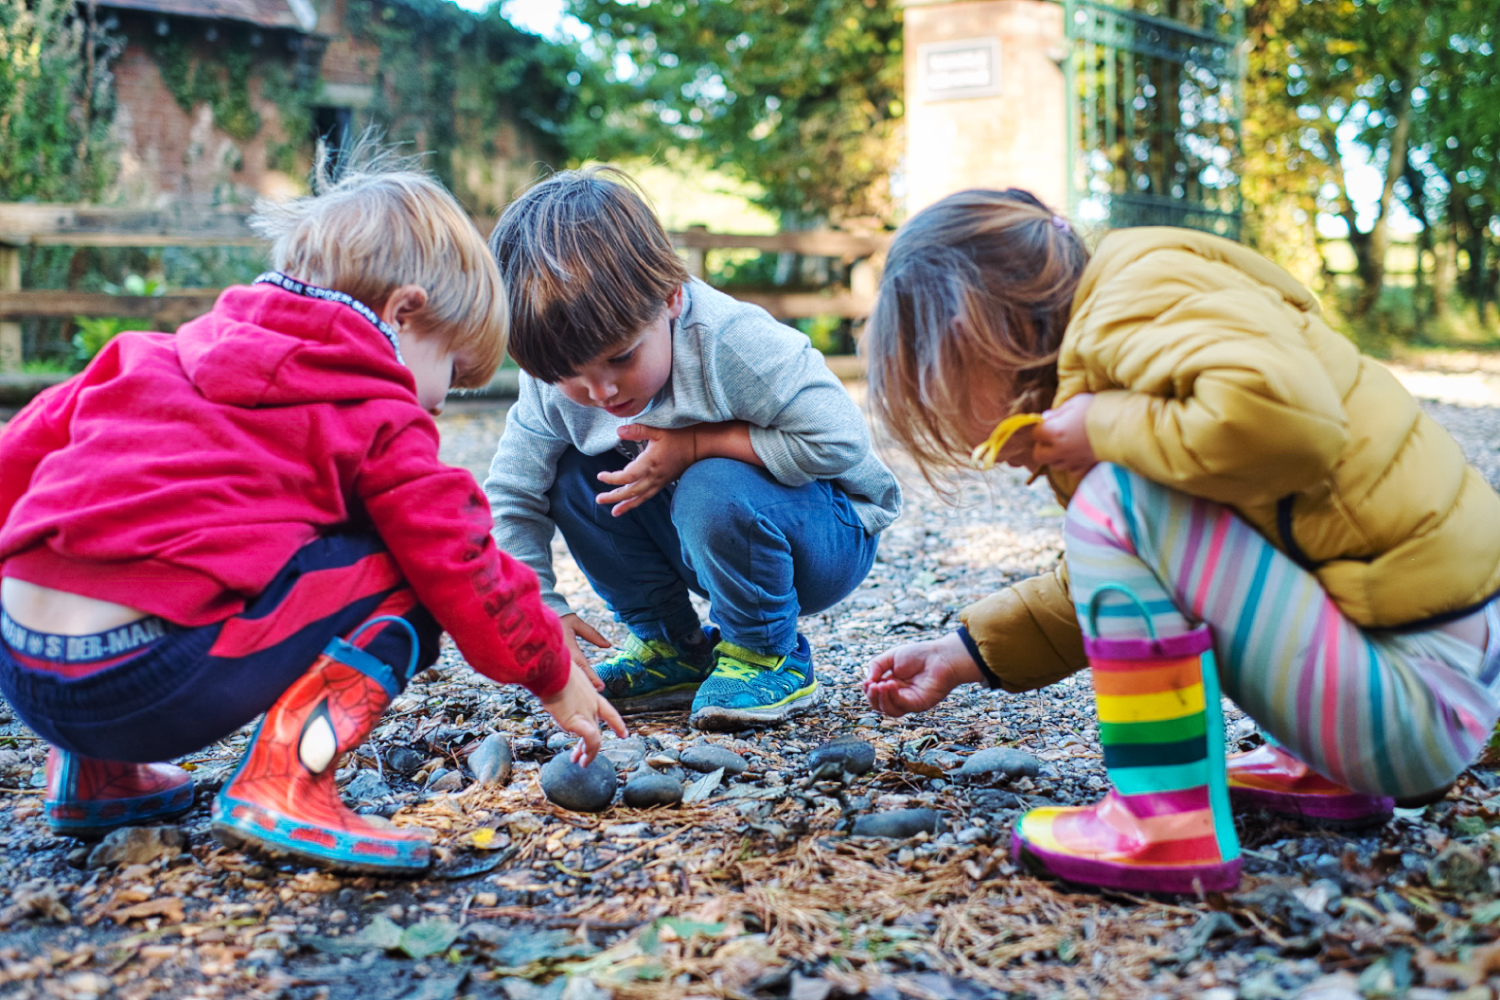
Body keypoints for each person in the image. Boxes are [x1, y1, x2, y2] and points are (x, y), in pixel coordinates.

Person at [0, 145, 624, 876]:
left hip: (25, 671)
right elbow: (461, 558)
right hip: (143, 683)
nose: (437, 404)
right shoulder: (373, 408)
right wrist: (550, 669)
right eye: (451, 370)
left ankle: (94, 775)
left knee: (116, 536)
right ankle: (284, 784)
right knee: (409, 567)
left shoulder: (149, 354)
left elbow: (16, 463)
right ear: (403, 313)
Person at [858, 188, 1500, 894]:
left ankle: (1163, 828)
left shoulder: (1135, 299)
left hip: (1416, 706)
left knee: (1114, 502)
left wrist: (1102, 428)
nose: (965, 431)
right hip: (1432, 686)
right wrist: (963, 654)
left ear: (970, 333)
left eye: (937, 383)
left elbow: (1293, 425)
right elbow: (1147, 574)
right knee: (1126, 508)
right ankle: (1321, 767)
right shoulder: (1150, 322)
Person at [483, 167, 902, 731]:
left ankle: (766, 651)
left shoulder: (732, 341)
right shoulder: (552, 385)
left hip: (821, 536)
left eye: (620, 358)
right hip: (698, 538)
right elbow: (512, 494)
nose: (601, 392)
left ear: (671, 297)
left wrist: (698, 444)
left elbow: (841, 439)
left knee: (711, 480)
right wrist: (538, 609)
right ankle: (670, 645)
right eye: (568, 375)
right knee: (569, 471)